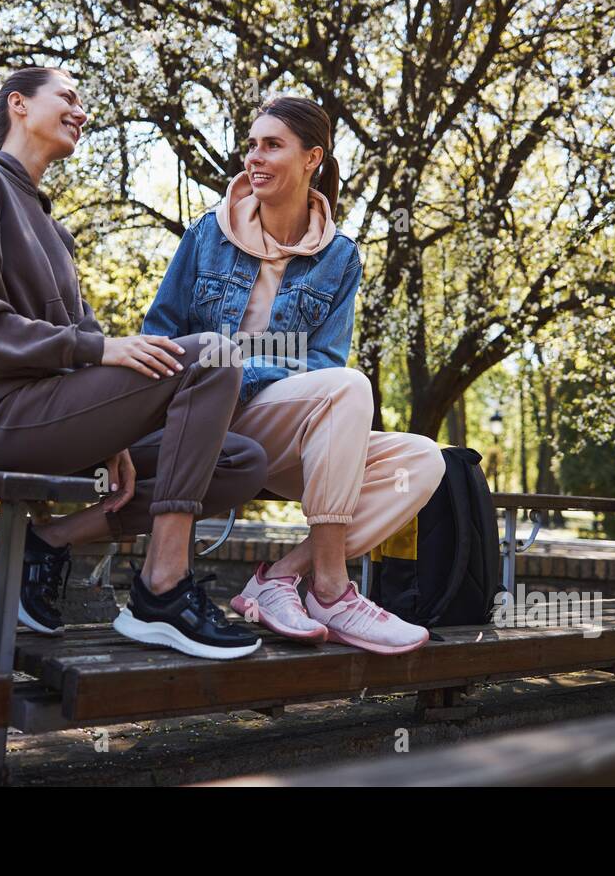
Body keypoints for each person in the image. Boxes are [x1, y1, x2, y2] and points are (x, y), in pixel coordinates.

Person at [0, 66, 267, 660]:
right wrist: (98, 351)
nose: (81, 110)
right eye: (67, 98)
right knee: (215, 353)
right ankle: (162, 589)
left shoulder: (50, 227)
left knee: (242, 461)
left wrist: (113, 437)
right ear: (18, 105)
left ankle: (46, 545)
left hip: (45, 414)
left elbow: (80, 338)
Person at [143, 96, 445, 655]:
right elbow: (161, 337)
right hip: (207, 425)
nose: (254, 157)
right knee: (350, 386)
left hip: (289, 434)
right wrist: (233, 370)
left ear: (312, 158)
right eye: (252, 144)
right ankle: (331, 588)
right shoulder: (207, 234)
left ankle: (279, 578)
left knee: (424, 459)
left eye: (272, 145)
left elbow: (324, 362)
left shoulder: (340, 258)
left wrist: (236, 362)